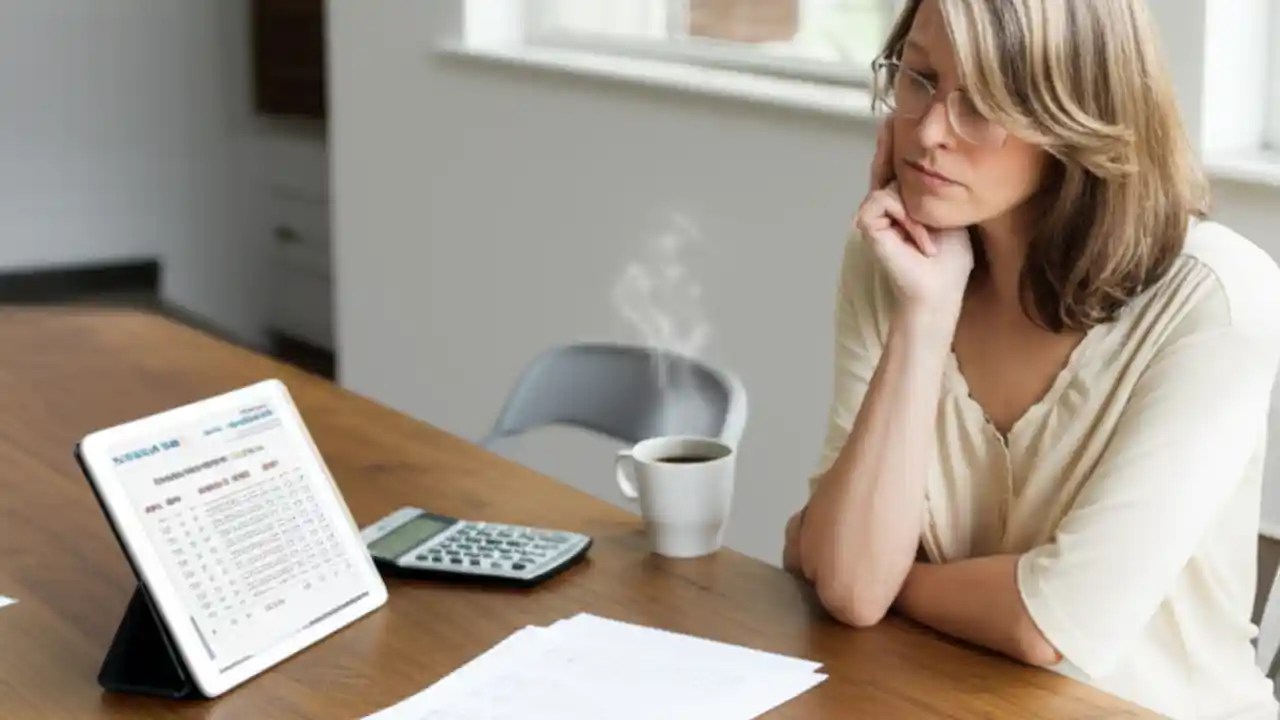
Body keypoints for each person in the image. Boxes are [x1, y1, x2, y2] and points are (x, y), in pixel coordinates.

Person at [781, 0, 1280, 717]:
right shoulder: (895, 257)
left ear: (1076, 113)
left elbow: (1054, 623)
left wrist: (883, 574)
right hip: (937, 696)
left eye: (983, 102)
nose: (928, 131)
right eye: (918, 77)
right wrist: (926, 313)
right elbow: (854, 589)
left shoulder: (1219, 300)